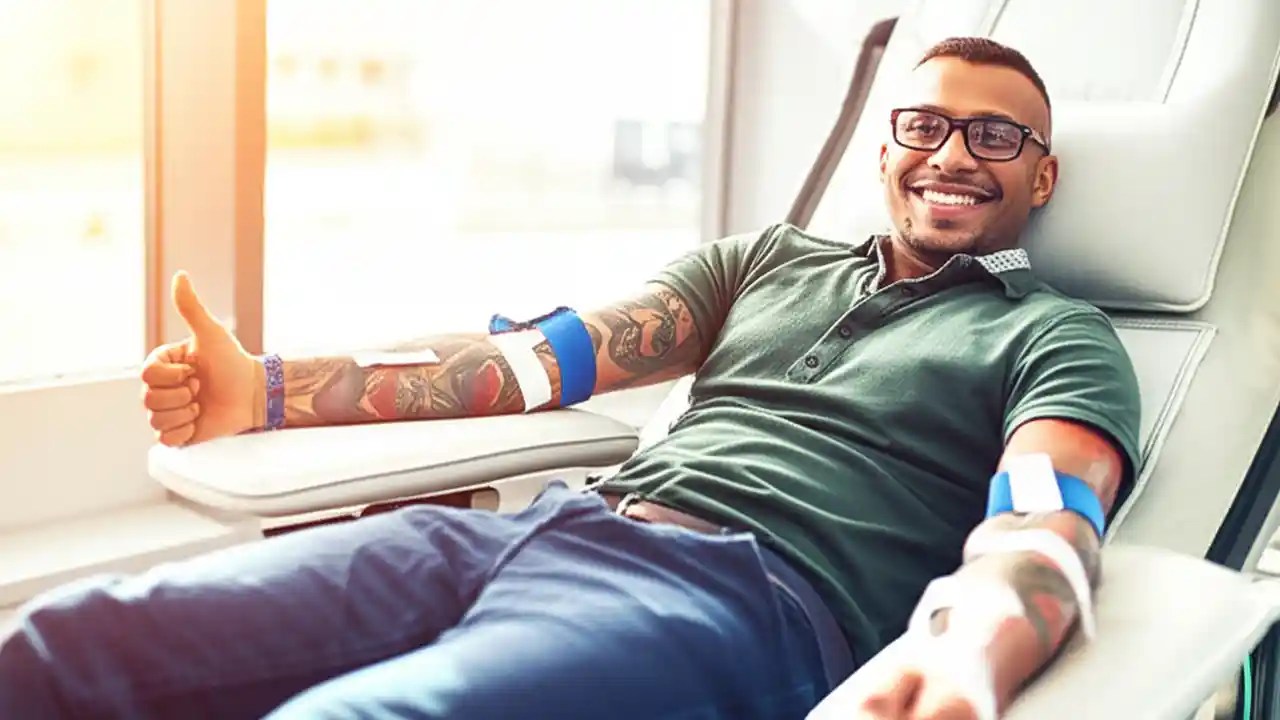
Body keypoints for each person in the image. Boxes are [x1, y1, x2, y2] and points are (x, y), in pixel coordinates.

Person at [0, 36, 1139, 720]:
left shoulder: (1054, 334)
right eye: (925, 124)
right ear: (885, 148)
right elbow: (530, 365)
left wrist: (971, 648)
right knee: (67, 644)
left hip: (736, 599)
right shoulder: (763, 262)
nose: (949, 153)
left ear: (1041, 177)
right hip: (531, 533)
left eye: (994, 138)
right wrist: (271, 388)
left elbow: (1042, 522)